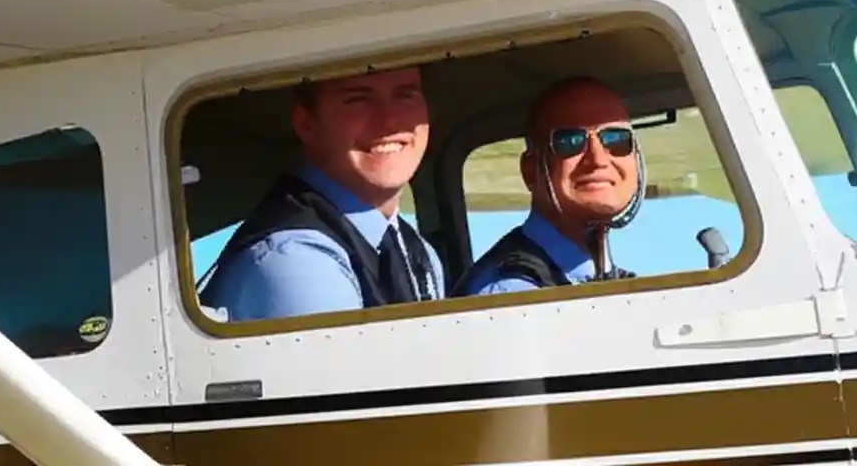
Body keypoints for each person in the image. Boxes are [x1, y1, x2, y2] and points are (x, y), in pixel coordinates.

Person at [198, 66, 444, 320]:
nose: (389, 122)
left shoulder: (413, 248)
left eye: (406, 95)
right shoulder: (299, 264)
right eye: (358, 99)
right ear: (306, 123)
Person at [454, 77, 642, 296]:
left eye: (615, 139)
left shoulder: (599, 276)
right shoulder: (512, 292)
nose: (598, 159)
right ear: (531, 170)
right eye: (570, 142)